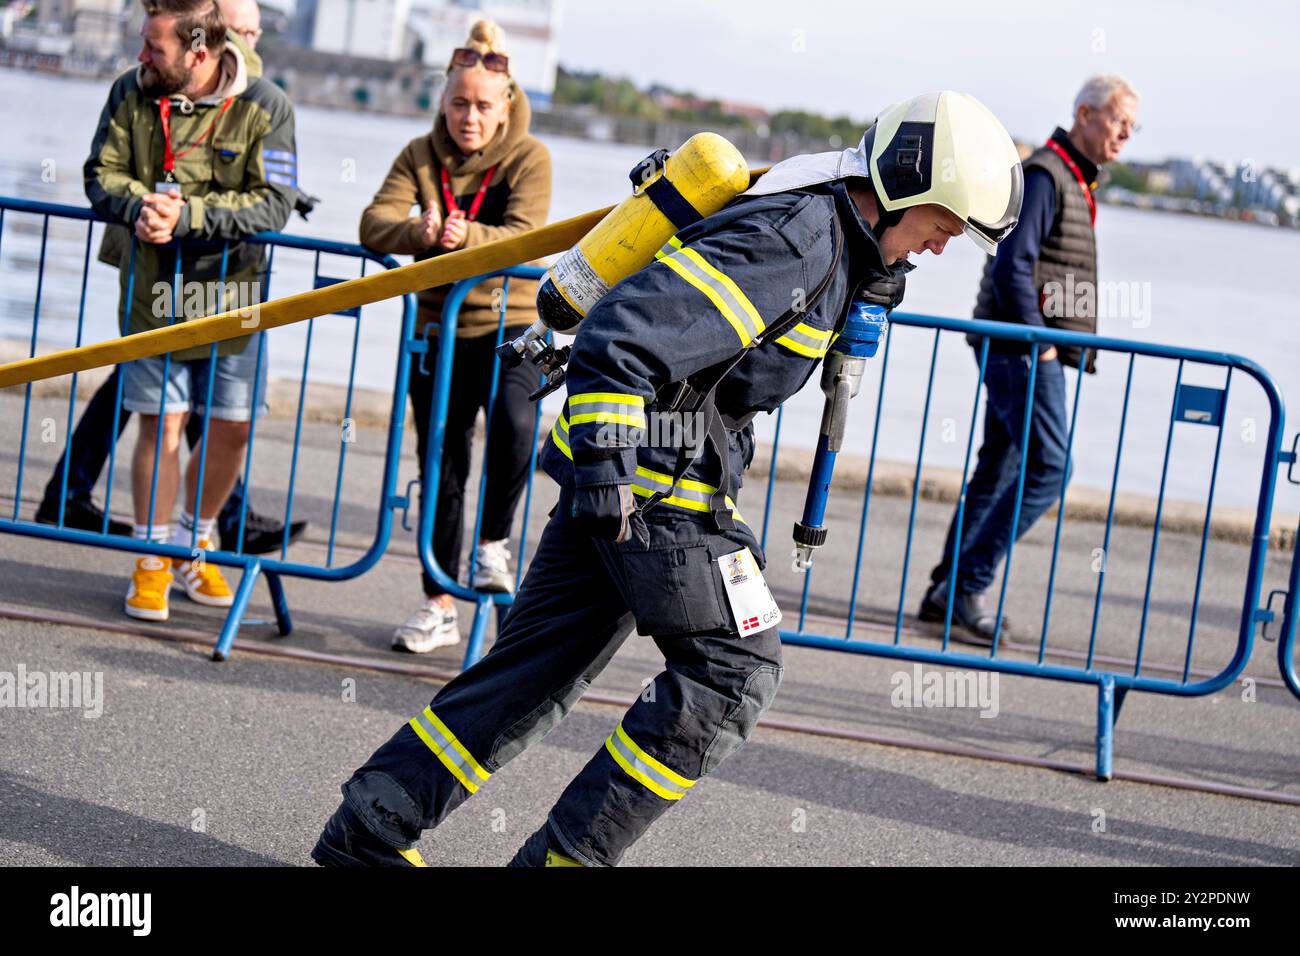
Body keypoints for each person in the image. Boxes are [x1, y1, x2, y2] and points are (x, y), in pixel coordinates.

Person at [312, 91, 1024, 866]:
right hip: (654, 486)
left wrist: (876, 277)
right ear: (900, 193)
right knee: (733, 674)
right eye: (941, 230)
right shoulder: (795, 239)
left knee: (532, 672)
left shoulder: (832, 238)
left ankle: (371, 830)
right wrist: (609, 475)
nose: (942, 248)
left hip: (643, 477)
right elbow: (622, 341)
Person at [38, 1, 307, 555]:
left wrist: (190, 216)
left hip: (235, 294)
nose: (140, 56)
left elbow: (276, 204)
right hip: (152, 290)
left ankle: (195, 541)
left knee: (232, 428)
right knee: (159, 425)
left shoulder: (266, 105)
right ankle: (155, 558)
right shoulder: (129, 92)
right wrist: (140, 207)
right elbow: (100, 174)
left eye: (153, 47)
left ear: (199, 51)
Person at [920, 75, 1140, 645]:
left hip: (1019, 345)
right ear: (1085, 114)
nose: (1125, 135)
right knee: (1049, 468)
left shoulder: (1069, 176)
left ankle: (943, 592)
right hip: (1021, 348)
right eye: (1119, 121)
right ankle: (965, 589)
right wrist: (1041, 339)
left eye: (1132, 128)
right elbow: (1012, 261)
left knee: (1000, 469)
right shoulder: (1047, 174)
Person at [358, 19, 552, 654]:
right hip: (438, 331)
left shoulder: (530, 157)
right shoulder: (419, 154)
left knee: (518, 426)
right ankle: (437, 602)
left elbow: (527, 237)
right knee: (441, 463)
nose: (470, 117)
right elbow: (373, 223)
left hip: (512, 328)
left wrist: (461, 236)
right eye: (459, 103)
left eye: (483, 105)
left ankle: (493, 543)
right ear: (442, 101)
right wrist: (418, 233)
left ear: (507, 104)